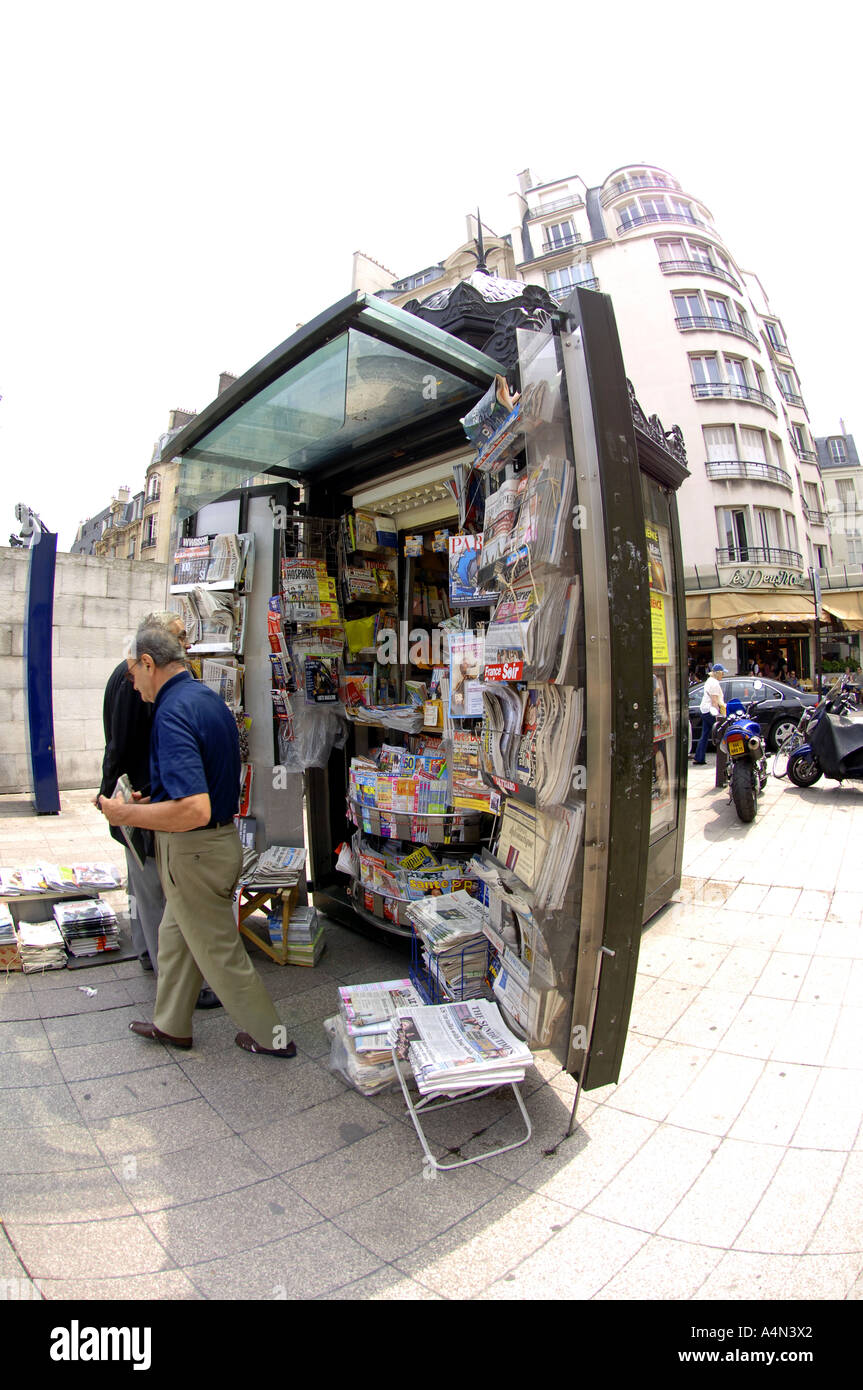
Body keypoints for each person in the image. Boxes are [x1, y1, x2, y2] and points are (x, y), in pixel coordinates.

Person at [99, 622, 294, 1057]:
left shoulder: (170, 713)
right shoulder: (205, 698)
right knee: (175, 938)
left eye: (132, 674)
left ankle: (273, 1037)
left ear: (149, 664)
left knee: (220, 953)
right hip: (213, 846)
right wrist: (156, 797)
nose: (131, 685)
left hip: (195, 852)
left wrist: (124, 811)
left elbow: (195, 809)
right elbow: (203, 781)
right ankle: (171, 1024)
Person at [97, 612, 219, 1011]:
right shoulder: (135, 681)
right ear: (155, 651)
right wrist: (129, 801)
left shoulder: (141, 676)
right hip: (142, 801)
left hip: (140, 799)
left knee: (145, 887)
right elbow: (124, 742)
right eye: (179, 638)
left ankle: (151, 956)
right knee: (154, 888)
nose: (184, 645)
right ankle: (172, 974)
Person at [693, 663, 726, 764]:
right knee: (721, 732)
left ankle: (699, 757)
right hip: (710, 710)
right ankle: (723, 758)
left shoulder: (709, 681)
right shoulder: (715, 683)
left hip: (705, 710)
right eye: (722, 673)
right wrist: (718, 716)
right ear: (718, 673)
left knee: (705, 734)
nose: (723, 675)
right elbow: (714, 701)